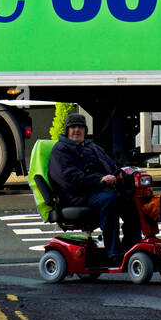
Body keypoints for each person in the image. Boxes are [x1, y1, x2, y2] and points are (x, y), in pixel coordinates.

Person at [48, 112, 130, 264]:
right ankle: (114, 252)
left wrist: (121, 176)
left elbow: (111, 167)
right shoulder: (61, 150)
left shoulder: (93, 147)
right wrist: (100, 180)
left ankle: (132, 244)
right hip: (77, 196)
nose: (77, 130)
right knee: (109, 199)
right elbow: (69, 179)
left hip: (98, 189)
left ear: (85, 130)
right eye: (73, 127)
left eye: (80, 127)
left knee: (131, 197)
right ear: (67, 130)